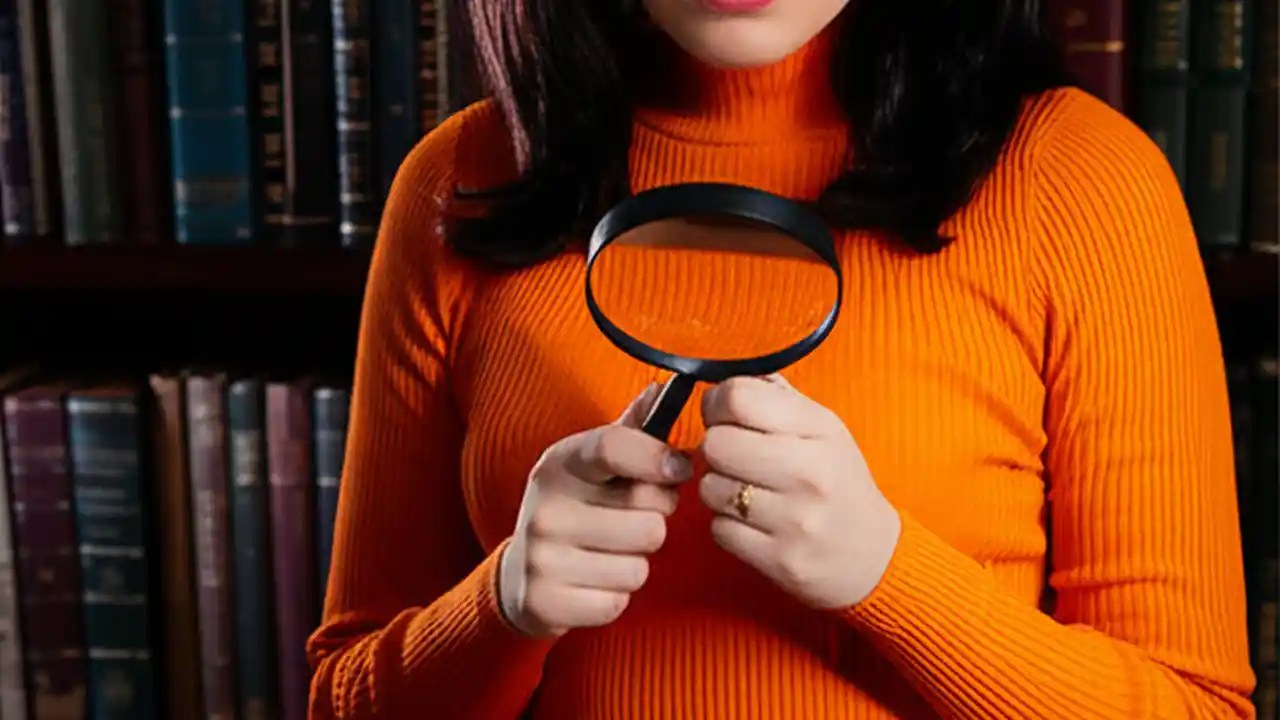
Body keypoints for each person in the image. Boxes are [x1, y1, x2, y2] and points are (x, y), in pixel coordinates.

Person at [306, 0, 1257, 717]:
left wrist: (890, 578)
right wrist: (503, 608)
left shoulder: (1080, 179)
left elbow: (1196, 707)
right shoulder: (460, 180)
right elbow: (344, 692)